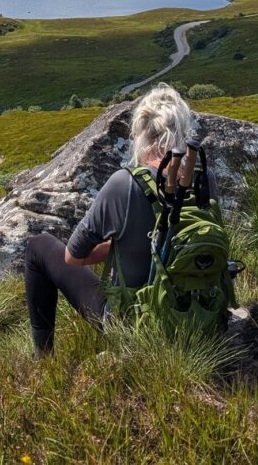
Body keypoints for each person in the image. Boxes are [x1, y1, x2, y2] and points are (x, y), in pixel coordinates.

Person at [24, 83, 196, 355]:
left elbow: (73, 257)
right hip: (196, 314)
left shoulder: (124, 184)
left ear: (140, 132)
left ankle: (42, 358)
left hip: (134, 322)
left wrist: (116, 247)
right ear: (183, 131)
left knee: (39, 246)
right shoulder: (204, 179)